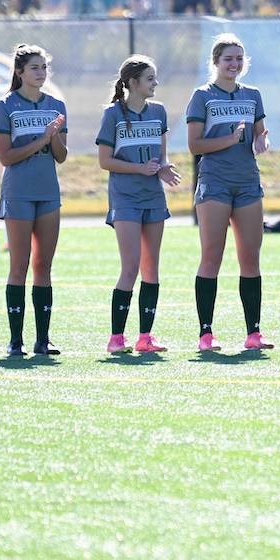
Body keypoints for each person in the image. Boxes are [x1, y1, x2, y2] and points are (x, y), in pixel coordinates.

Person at [186, 33, 273, 351]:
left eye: (239, 58)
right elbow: (194, 145)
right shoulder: (202, 95)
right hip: (215, 183)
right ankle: (206, 334)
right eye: (228, 59)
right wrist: (229, 139)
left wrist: (261, 140)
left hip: (248, 182)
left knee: (250, 257)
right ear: (215, 62)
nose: (234, 64)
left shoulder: (253, 95)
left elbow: (260, 133)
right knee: (212, 256)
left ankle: (254, 333)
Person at [98, 55, 182, 354]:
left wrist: (163, 169)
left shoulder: (158, 111)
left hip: (153, 197)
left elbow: (161, 155)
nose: (155, 83)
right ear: (132, 83)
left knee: (151, 268)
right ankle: (116, 338)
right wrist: (140, 169)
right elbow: (105, 161)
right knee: (131, 266)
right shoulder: (112, 114)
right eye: (150, 78)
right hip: (125, 198)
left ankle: (145, 337)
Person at [0, 44, 68, 356]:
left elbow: (61, 156)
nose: (41, 73)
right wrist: (41, 139)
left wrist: (54, 138)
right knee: (19, 266)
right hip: (18, 193)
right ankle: (16, 340)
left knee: (43, 267)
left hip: (48, 193)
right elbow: (6, 157)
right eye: (35, 67)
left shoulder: (56, 105)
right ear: (19, 72)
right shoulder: (5, 106)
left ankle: (43, 339)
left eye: (44, 67)